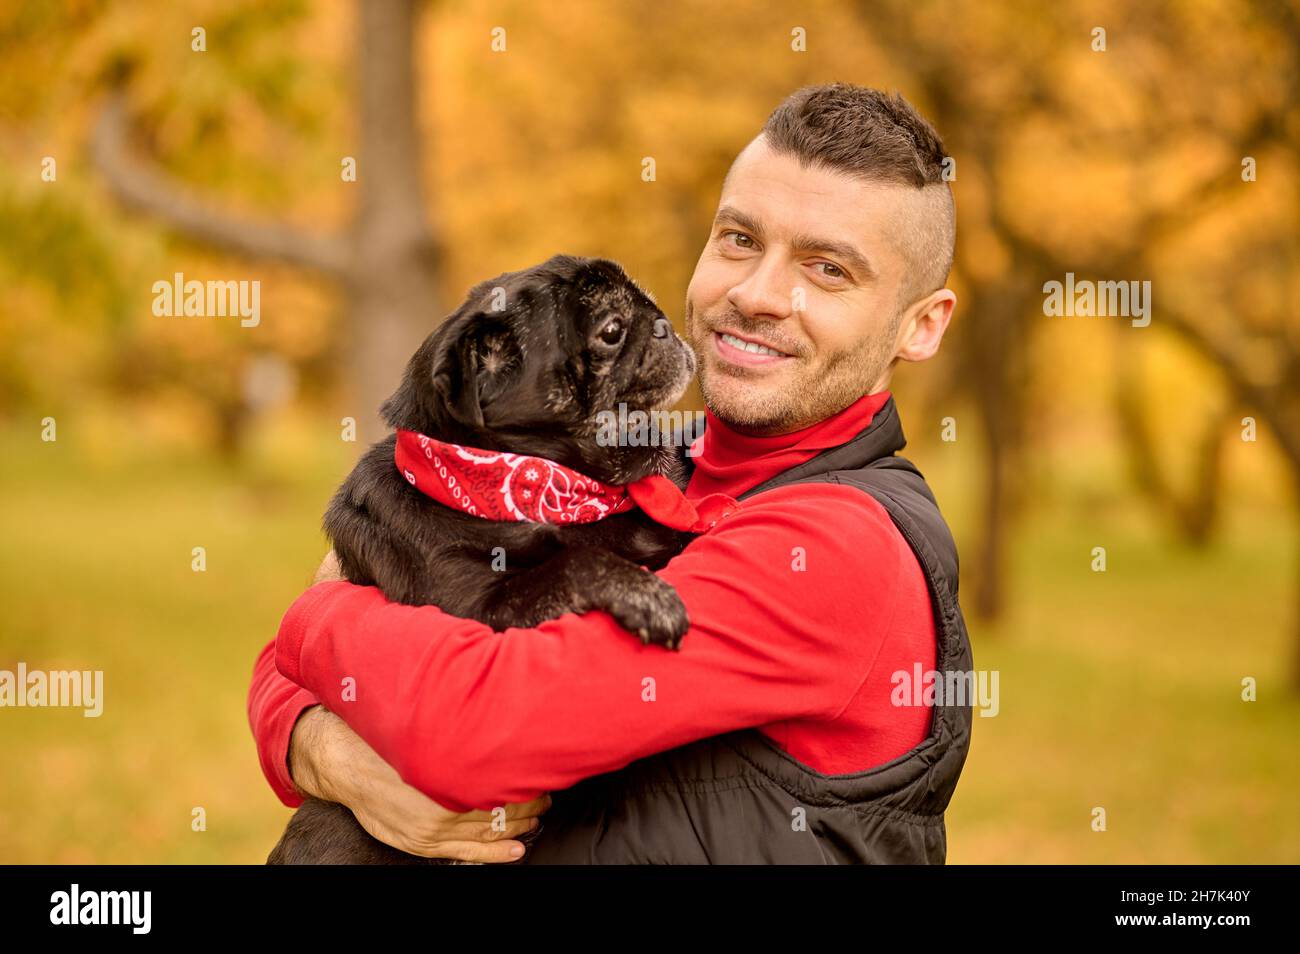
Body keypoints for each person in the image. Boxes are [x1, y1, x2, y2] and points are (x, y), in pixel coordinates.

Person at [248, 82, 974, 864]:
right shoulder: (621, 461)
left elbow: (478, 733)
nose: (759, 294)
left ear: (921, 325)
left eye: (828, 269)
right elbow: (312, 680)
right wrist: (328, 754)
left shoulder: (837, 545)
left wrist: (317, 615)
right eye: (738, 239)